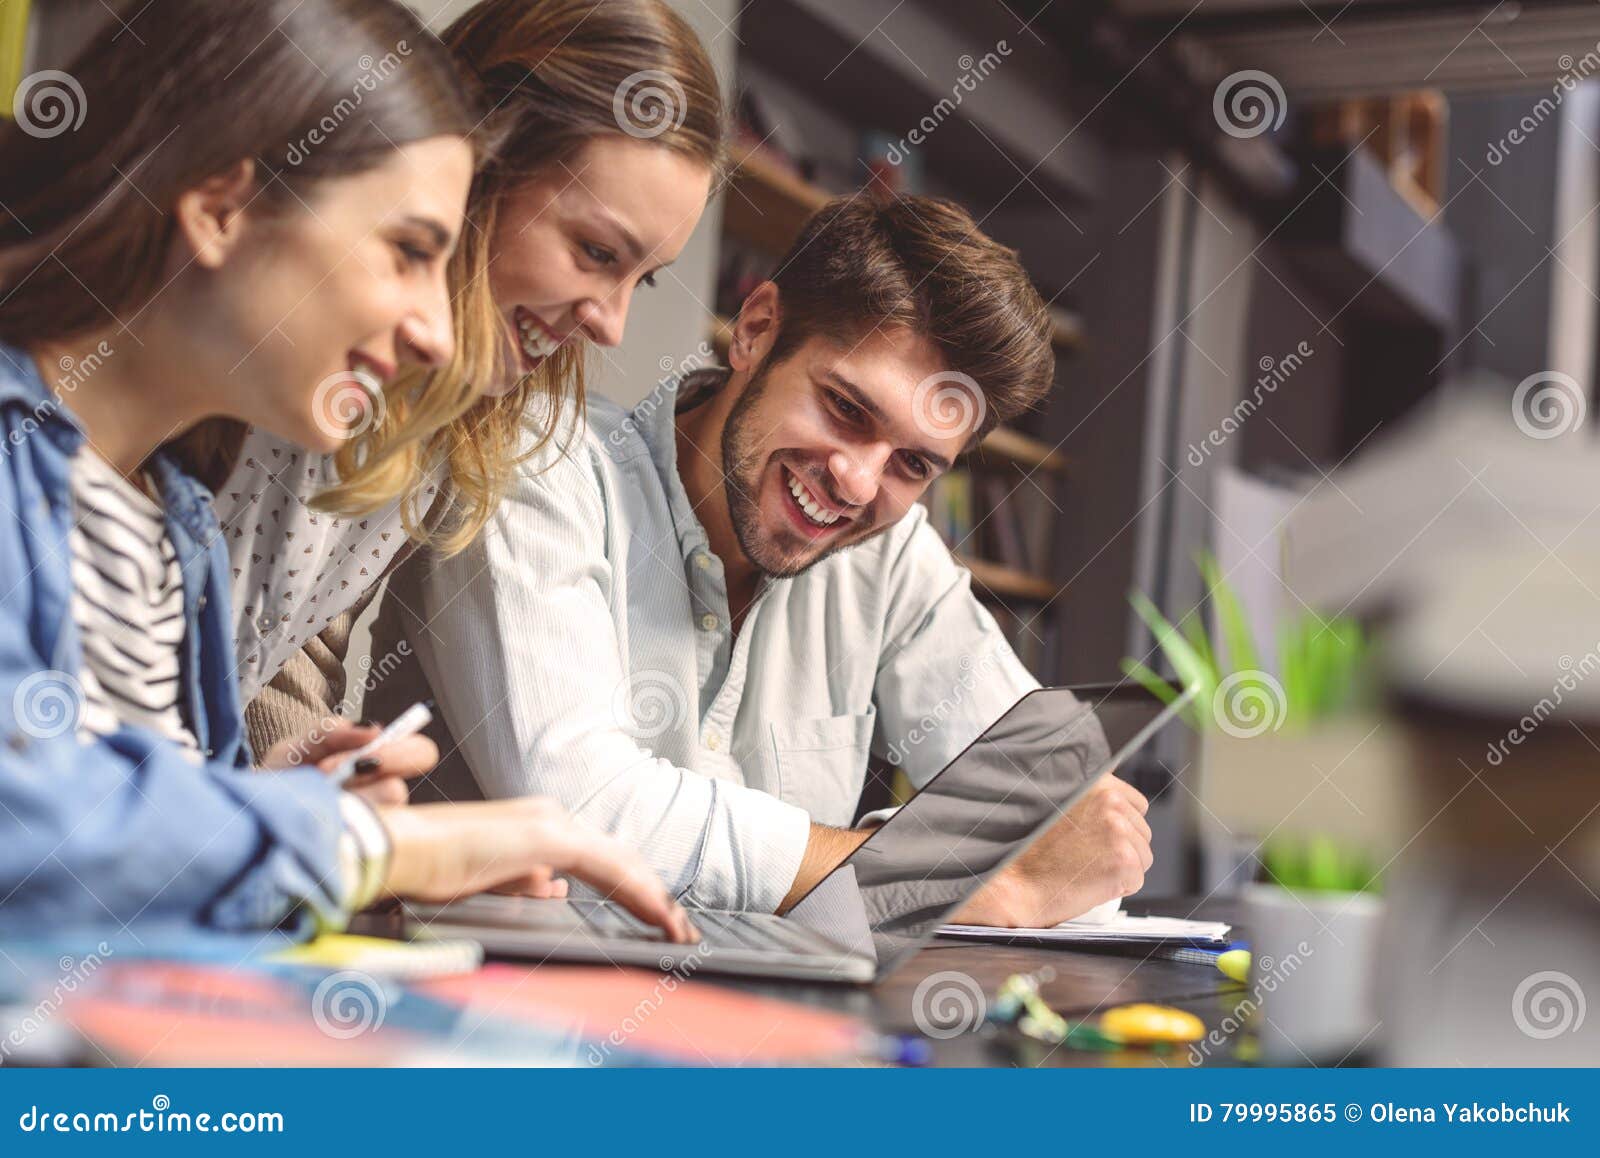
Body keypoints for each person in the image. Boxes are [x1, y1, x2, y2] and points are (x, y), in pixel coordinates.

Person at [0, 0, 692, 941]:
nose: (436, 327)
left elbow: (144, 801)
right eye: (408, 251)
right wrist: (372, 847)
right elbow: (38, 834)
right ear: (222, 207)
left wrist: (288, 791)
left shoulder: (175, 526)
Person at [370, 195, 1154, 921]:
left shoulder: (893, 555)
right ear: (755, 329)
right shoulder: (533, 458)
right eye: (846, 408)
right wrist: (955, 877)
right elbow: (586, 812)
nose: (856, 481)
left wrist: (977, 872)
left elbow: (1072, 845)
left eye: (913, 464)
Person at [200, 0, 721, 762]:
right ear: (480, 165)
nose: (611, 325)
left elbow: (273, 652)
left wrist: (316, 780)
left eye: (642, 280)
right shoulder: (267, 338)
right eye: (596, 252)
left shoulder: (458, 418)